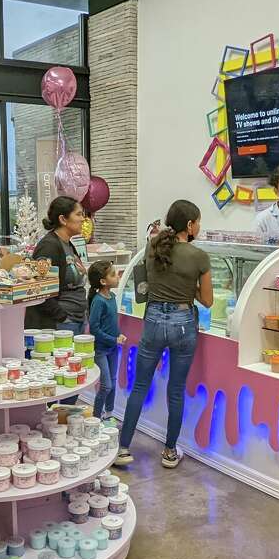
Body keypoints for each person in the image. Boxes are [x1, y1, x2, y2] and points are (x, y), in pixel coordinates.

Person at [115, 200, 213, 470]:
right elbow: (207, 301)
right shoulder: (198, 256)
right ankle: (170, 452)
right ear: (190, 225)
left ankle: (123, 448)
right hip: (183, 323)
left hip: (154, 320)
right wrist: (188, 286)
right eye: (199, 222)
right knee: (176, 390)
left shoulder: (153, 247)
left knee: (140, 386)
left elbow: (147, 282)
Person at [25, 196, 88, 335]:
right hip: (60, 324)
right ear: (63, 219)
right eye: (78, 214)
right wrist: (62, 316)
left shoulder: (69, 244)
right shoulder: (49, 247)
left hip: (76, 319)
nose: (83, 219)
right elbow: (40, 289)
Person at [87, 260, 125, 427]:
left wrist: (118, 336)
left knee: (113, 382)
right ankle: (96, 417)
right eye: (112, 274)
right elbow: (94, 329)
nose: (117, 276)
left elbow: (111, 323)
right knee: (106, 386)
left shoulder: (113, 297)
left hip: (113, 348)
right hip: (101, 350)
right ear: (103, 281)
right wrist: (113, 339)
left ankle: (109, 414)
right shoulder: (98, 301)